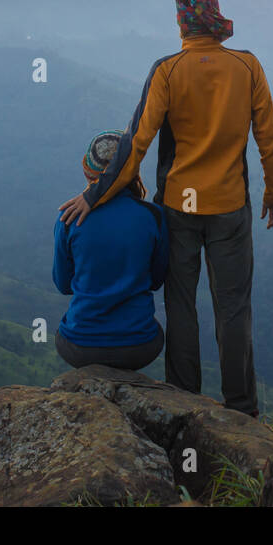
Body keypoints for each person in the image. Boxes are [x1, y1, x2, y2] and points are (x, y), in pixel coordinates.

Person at [59, 0, 273, 417]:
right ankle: (241, 408)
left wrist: (95, 193)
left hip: (178, 207)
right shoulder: (248, 66)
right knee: (233, 310)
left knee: (181, 306)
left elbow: (136, 141)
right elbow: (268, 138)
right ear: (215, 16)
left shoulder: (168, 70)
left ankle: (184, 403)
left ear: (182, 21)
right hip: (231, 206)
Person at [52, 130, 167, 371]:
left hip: (80, 346)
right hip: (139, 346)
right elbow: (157, 280)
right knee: (155, 330)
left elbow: (63, 284)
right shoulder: (153, 216)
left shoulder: (69, 218)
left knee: (62, 330)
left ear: (87, 172)